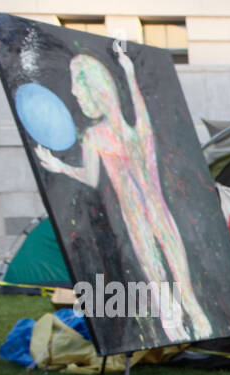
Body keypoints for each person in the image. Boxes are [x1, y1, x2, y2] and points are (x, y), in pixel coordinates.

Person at [33, 49, 212, 344]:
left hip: (145, 215)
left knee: (166, 274)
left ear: (94, 91)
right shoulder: (127, 130)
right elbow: (138, 104)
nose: (76, 96)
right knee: (167, 274)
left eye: (79, 90)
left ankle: (183, 322)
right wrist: (128, 71)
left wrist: (59, 165)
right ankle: (186, 320)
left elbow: (90, 178)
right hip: (150, 213)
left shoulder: (110, 134)